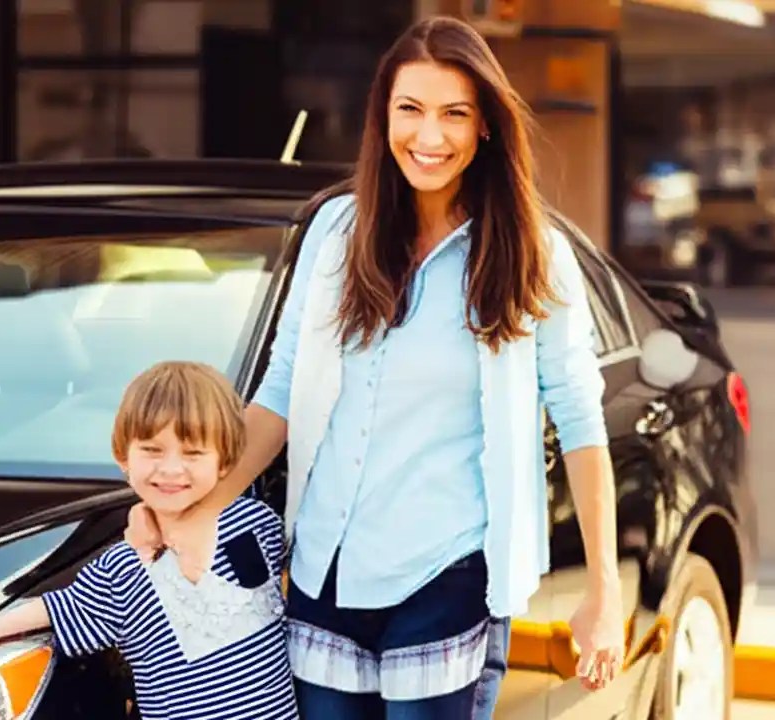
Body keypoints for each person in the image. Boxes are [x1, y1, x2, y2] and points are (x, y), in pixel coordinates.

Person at [128, 15, 624, 719]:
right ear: (381, 117)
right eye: (410, 110)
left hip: (446, 576)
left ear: (485, 125)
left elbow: (580, 421)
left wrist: (604, 592)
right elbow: (280, 393)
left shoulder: (532, 254)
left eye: (454, 114)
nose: (429, 137)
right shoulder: (335, 233)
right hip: (323, 576)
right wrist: (190, 508)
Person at [0, 361, 298, 720]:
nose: (171, 469)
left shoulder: (255, 524)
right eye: (152, 450)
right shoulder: (121, 568)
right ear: (123, 457)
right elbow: (57, 609)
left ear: (226, 461)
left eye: (193, 453)